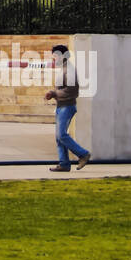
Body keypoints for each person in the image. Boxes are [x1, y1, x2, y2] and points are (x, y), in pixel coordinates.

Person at [45, 43, 90, 171]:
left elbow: (72, 91)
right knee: (59, 137)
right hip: (61, 106)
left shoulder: (69, 70)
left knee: (62, 135)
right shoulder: (64, 69)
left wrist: (53, 93)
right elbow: (63, 89)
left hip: (67, 106)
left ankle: (83, 154)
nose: (54, 59)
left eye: (55, 56)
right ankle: (64, 163)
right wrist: (54, 93)